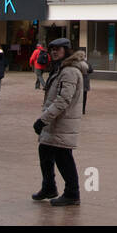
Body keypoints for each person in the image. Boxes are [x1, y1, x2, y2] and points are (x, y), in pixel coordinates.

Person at [32, 38, 86, 207]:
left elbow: (63, 100)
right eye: (52, 49)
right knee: (45, 151)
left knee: (63, 157)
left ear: (67, 50)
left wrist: (43, 119)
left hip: (62, 121)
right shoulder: (60, 68)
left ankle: (72, 193)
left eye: (58, 49)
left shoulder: (68, 71)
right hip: (55, 121)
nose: (54, 52)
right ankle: (49, 187)